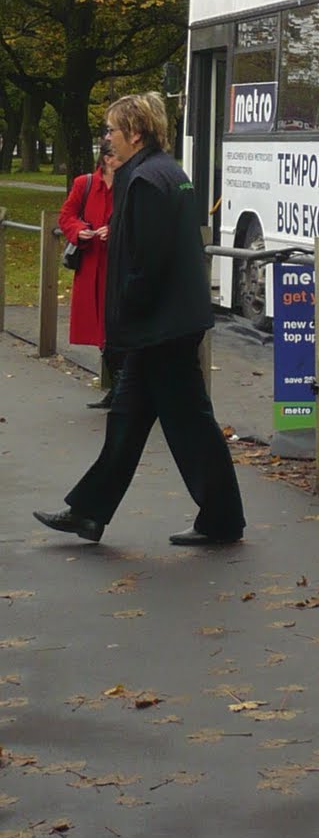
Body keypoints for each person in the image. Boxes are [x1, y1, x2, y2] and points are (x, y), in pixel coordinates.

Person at [33, 91, 245, 548]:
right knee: (128, 419)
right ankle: (89, 513)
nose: (106, 139)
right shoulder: (168, 173)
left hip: (160, 327)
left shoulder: (145, 180)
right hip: (169, 322)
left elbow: (144, 262)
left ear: (134, 131)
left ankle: (222, 519)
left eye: (111, 130)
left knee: (189, 424)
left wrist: (126, 313)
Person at [57, 137, 120, 408]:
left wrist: (114, 228)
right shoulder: (85, 184)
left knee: (117, 324)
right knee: (98, 327)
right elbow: (66, 215)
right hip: (91, 263)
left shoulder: (130, 184)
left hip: (117, 264)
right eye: (118, 157)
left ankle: (123, 388)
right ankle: (117, 386)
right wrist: (79, 229)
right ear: (106, 159)